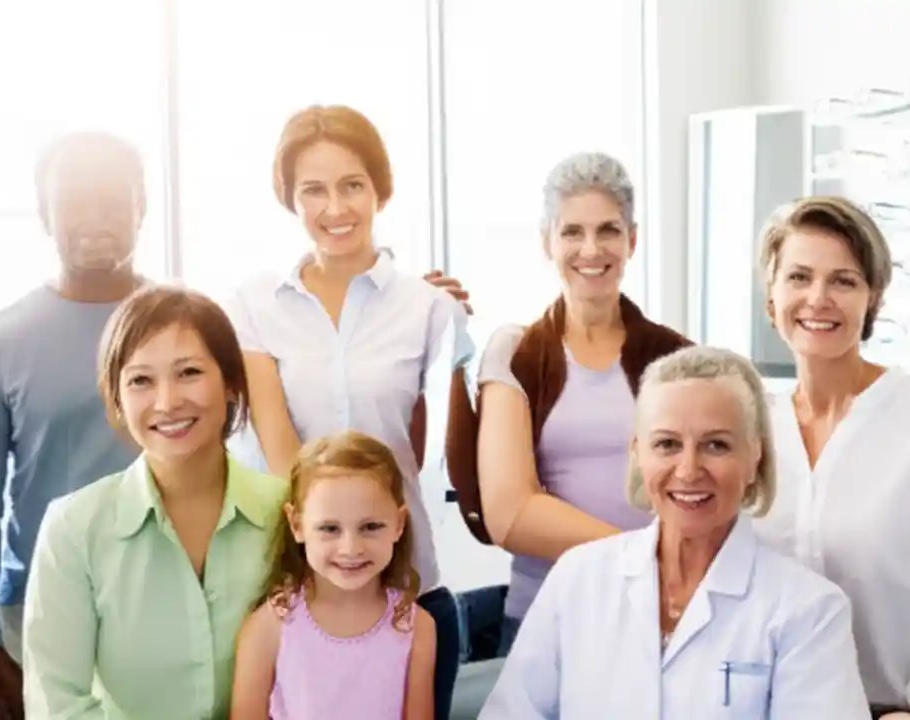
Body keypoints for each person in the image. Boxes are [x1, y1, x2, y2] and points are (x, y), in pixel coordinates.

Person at [222, 104, 473, 718]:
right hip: (303, 590)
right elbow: (283, 453)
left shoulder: (429, 309)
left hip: (407, 583)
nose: (335, 208)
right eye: (314, 190)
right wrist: (331, 545)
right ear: (291, 199)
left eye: (352, 185)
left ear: (380, 190)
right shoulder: (254, 306)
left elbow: (428, 450)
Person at [479, 346, 870, 719]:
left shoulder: (809, 610)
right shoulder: (577, 578)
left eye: (716, 445)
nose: (687, 471)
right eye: (666, 444)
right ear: (637, 454)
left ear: (755, 458)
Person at [751, 196, 910, 720]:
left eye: (844, 281)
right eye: (799, 277)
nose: (818, 298)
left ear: (874, 300)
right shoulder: (754, 428)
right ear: (771, 298)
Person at [0, 131, 148, 720]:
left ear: (142, 207)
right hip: (39, 611)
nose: (96, 220)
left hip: (168, 602)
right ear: (43, 214)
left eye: (114, 201)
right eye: (75, 202)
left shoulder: (186, 326)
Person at [448, 151, 689, 656]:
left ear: (632, 240)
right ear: (547, 242)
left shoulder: (676, 359)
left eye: (608, 230)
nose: (591, 248)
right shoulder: (517, 354)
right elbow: (510, 514)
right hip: (547, 621)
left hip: (656, 621)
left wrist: (657, 575)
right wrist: (643, 559)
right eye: (572, 232)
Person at [21, 285, 287, 718]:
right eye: (141, 380)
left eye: (189, 373)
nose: (167, 402)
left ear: (232, 384)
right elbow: (56, 703)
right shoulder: (73, 528)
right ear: (118, 400)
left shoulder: (288, 514)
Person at [231, 431, 435, 720]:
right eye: (329, 529)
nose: (350, 548)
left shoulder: (417, 627)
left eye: (371, 526)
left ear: (399, 524)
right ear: (297, 525)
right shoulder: (267, 628)